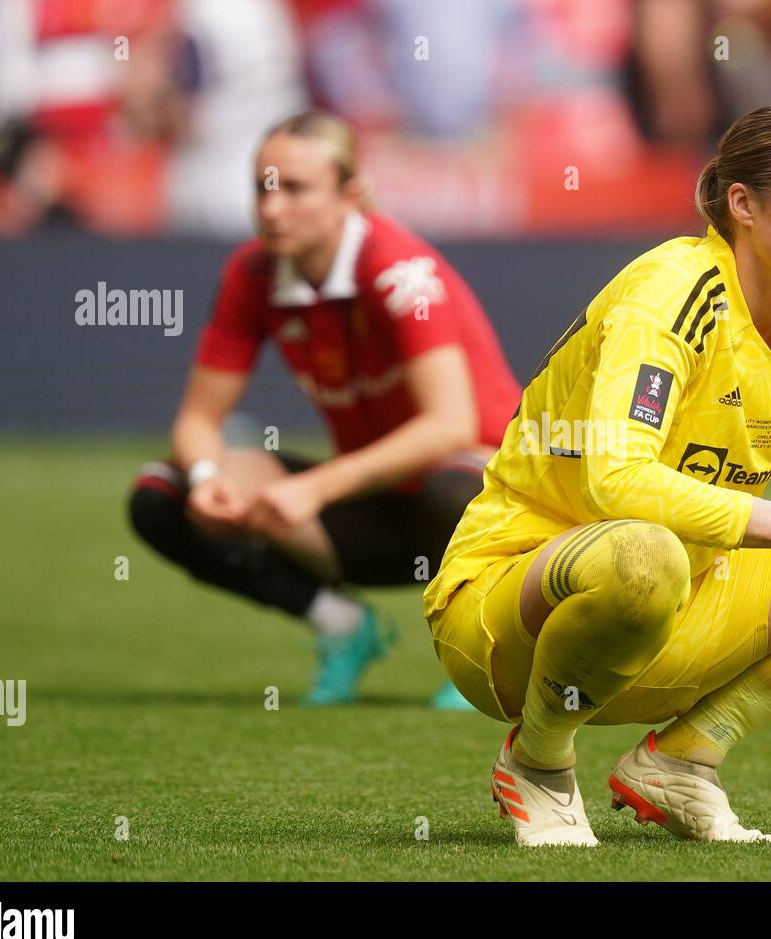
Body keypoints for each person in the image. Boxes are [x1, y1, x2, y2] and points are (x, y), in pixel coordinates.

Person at [423, 105, 771, 846]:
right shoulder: (672, 291)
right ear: (743, 204)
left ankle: (681, 760)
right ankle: (538, 762)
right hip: (509, 619)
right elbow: (617, 480)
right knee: (643, 550)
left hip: (676, 610)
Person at [130, 110, 520, 707]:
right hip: (379, 509)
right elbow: (197, 421)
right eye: (262, 188)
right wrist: (209, 479)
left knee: (455, 483)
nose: (272, 208)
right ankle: (342, 625)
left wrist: (314, 490)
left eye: (295, 189)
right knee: (164, 493)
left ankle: (484, 653)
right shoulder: (251, 273)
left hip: (489, 513)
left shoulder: (399, 270)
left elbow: (451, 424)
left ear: (352, 194)